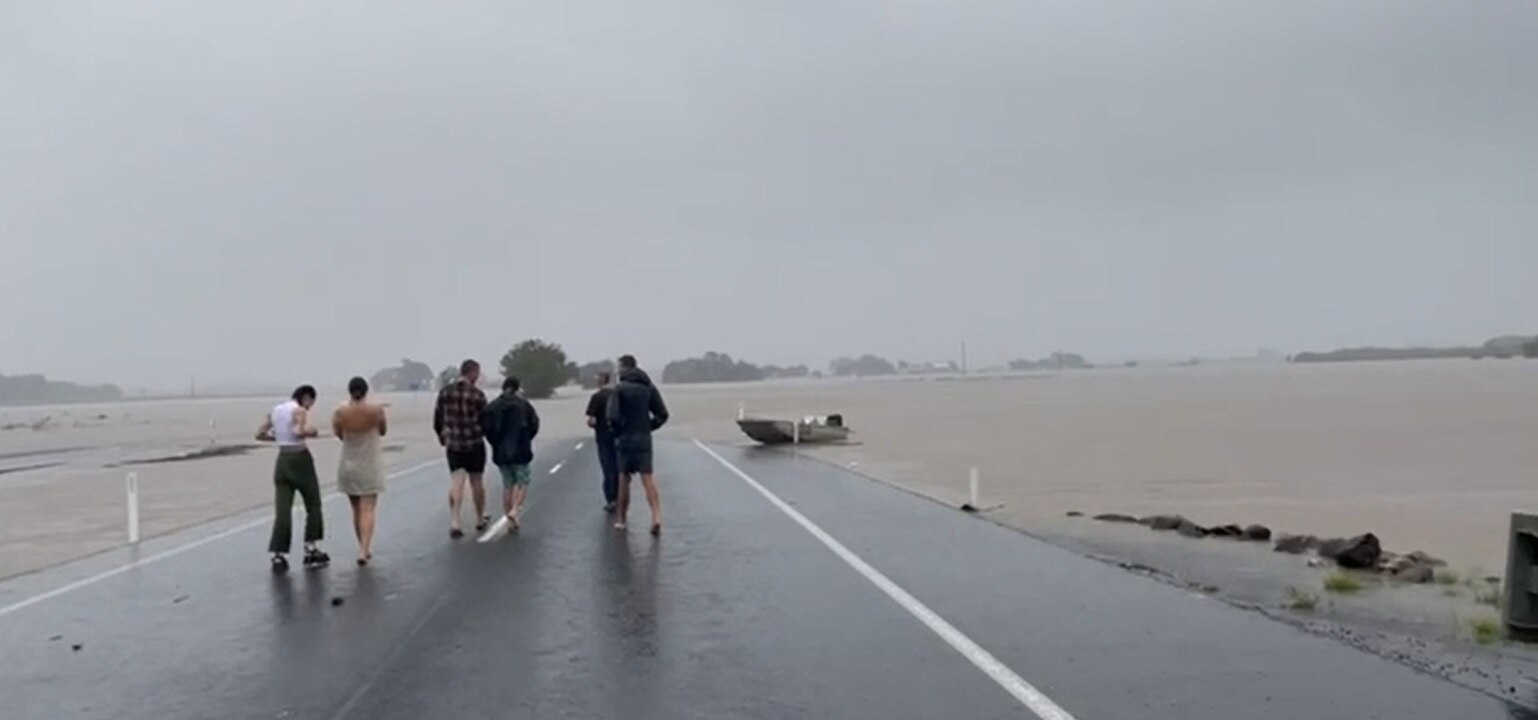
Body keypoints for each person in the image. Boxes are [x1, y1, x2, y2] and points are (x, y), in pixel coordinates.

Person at [256, 385, 328, 572]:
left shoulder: (276, 410)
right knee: (313, 503)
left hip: (282, 461)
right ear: (306, 398)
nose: (310, 407)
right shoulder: (299, 410)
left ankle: (279, 554)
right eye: (311, 402)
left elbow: (260, 434)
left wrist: (280, 437)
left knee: (283, 510)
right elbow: (298, 430)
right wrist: (313, 431)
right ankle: (311, 548)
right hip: (300, 460)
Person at [606, 355, 669, 535]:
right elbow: (662, 414)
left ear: (624, 369)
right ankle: (656, 516)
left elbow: (612, 416)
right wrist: (648, 426)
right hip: (643, 438)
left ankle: (621, 519)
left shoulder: (618, 390)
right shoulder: (648, 388)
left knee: (624, 478)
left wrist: (617, 432)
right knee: (647, 478)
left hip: (625, 438)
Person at [333, 376, 387, 566]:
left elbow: (338, 434)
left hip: (348, 463)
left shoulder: (340, 411)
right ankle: (364, 549)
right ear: (366, 391)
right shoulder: (376, 410)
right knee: (368, 508)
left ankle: (362, 546)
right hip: (369, 462)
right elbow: (382, 430)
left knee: (356, 508)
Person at [434, 359, 490, 539]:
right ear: (472, 373)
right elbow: (486, 420)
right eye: (477, 373)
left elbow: (438, 418)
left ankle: (455, 521)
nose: (478, 377)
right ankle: (480, 519)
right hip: (474, 443)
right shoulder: (477, 395)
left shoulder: (445, 392)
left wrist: (441, 437)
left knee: (456, 481)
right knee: (477, 482)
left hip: (454, 444)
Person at [481, 376, 540, 533]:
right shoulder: (524, 405)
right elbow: (534, 424)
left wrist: (495, 443)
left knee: (508, 485)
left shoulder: (492, 406)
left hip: (501, 451)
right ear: (517, 388)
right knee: (523, 482)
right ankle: (515, 510)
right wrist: (526, 439)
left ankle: (510, 521)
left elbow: (486, 428)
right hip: (521, 449)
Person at [585, 371, 621, 512]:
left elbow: (591, 420)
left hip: (603, 438)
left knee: (608, 468)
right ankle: (622, 497)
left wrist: (595, 424)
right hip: (620, 437)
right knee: (620, 469)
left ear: (601, 380)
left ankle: (611, 499)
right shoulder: (619, 395)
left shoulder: (597, 397)